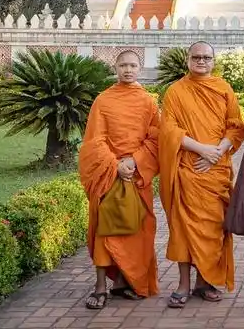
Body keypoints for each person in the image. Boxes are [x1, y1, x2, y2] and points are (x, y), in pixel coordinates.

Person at [159, 41, 244, 308]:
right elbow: (169, 130)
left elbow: (236, 127)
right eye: (196, 57)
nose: (201, 61)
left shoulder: (222, 89)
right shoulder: (175, 91)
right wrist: (201, 150)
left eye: (206, 57)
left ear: (213, 60)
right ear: (188, 60)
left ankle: (204, 282)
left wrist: (217, 152)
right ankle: (184, 284)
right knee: (183, 230)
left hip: (215, 171)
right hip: (187, 168)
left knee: (214, 229)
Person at [78, 50, 161, 309]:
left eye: (133, 65)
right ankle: (101, 287)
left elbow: (155, 139)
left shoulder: (148, 102)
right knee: (106, 230)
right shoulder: (103, 100)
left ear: (140, 67)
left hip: (136, 174)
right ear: (116, 67)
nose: (128, 69)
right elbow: (94, 140)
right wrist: (114, 165)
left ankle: (126, 282)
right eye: (123, 65)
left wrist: (134, 161)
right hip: (108, 174)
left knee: (138, 229)